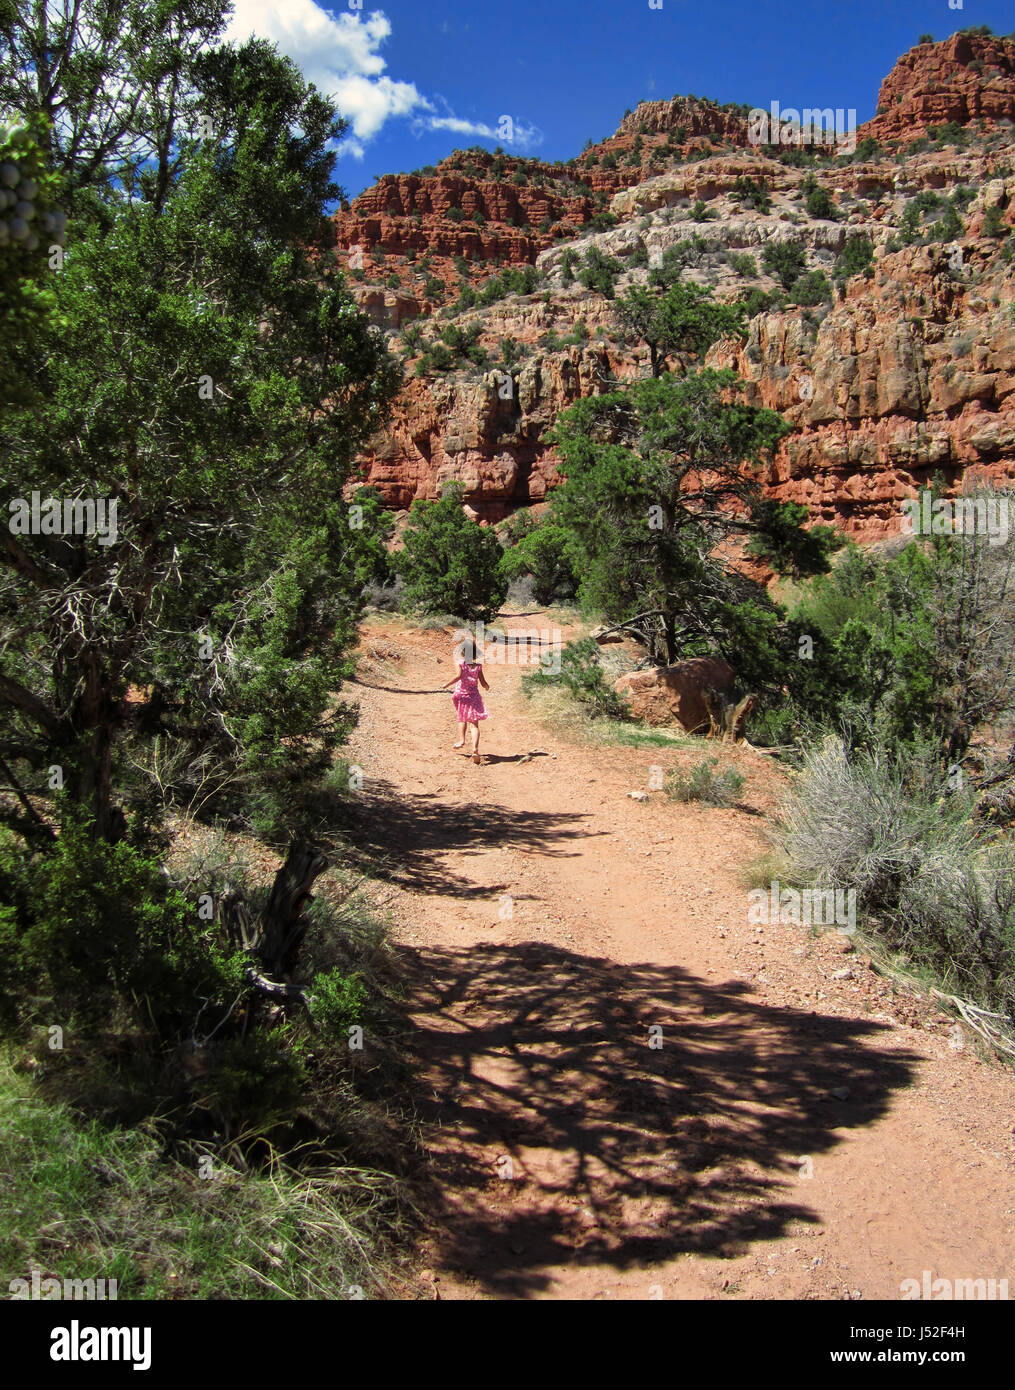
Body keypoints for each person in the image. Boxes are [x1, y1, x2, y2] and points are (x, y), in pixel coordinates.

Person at [441, 637, 489, 763]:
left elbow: (458, 676)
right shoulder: (478, 666)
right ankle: (475, 749)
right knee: (474, 724)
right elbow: (483, 683)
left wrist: (446, 684)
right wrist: (487, 687)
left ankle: (462, 740)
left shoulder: (460, 663)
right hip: (473, 697)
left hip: (461, 695)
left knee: (462, 717)